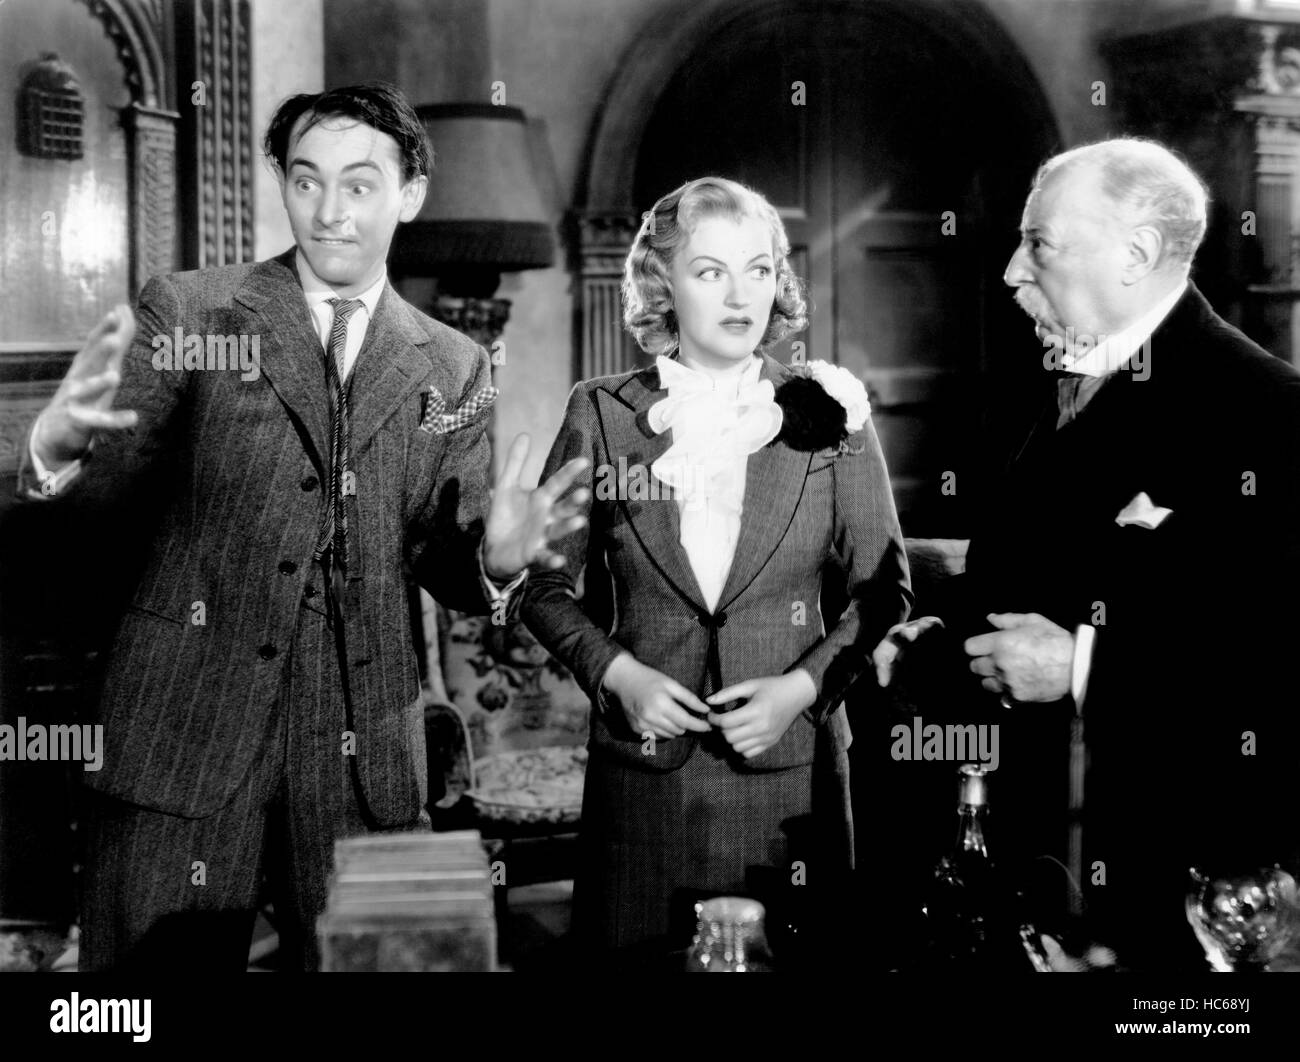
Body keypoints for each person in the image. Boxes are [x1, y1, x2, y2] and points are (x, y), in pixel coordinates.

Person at [15, 82, 588, 971]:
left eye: (360, 184)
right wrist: (55, 455)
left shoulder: (456, 361)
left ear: (410, 193)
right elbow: (98, 529)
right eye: (307, 180)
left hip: (365, 759)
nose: (330, 212)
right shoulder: (193, 312)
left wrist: (498, 564)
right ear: (280, 180)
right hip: (184, 732)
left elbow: (449, 557)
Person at [875, 138, 1300, 971]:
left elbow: (1280, 666)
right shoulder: (1056, 382)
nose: (1009, 272)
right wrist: (941, 629)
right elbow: (1036, 573)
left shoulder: (1271, 413)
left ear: (1136, 254)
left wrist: (1084, 666)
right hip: (1029, 856)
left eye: (1038, 244)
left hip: (1174, 883)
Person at [522, 177, 912, 964]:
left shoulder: (830, 411)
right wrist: (619, 675)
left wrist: (801, 692)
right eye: (710, 272)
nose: (742, 296)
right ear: (663, 285)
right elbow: (540, 586)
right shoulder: (601, 413)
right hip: (643, 783)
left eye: (760, 270)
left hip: (790, 776)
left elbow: (884, 592)